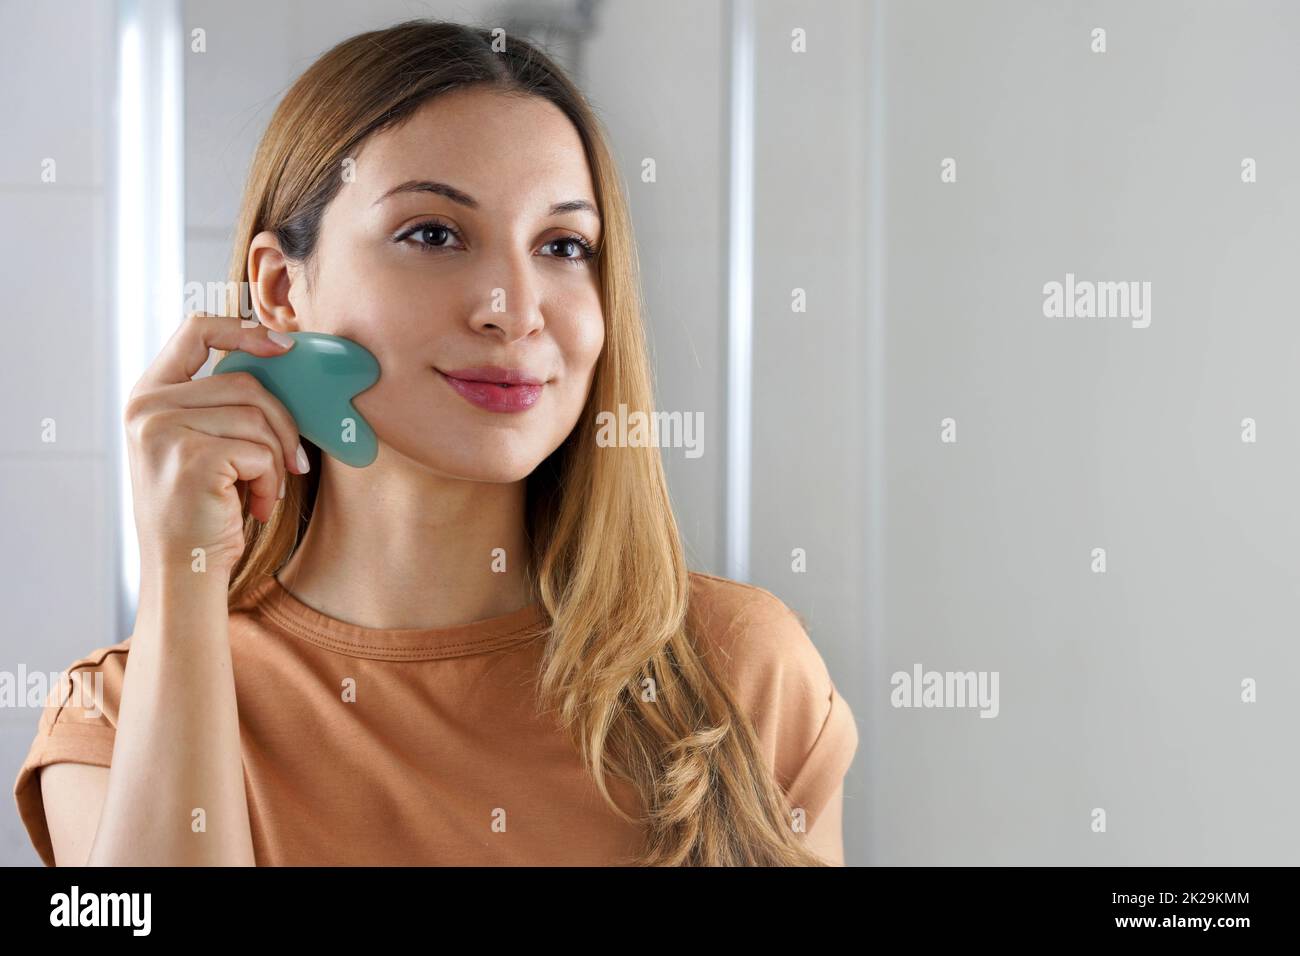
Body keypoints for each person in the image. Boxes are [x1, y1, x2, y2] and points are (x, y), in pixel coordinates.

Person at [13, 18, 857, 866]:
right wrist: (180, 573)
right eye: (433, 234)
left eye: (563, 246)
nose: (512, 307)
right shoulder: (114, 719)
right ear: (279, 289)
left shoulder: (740, 671)